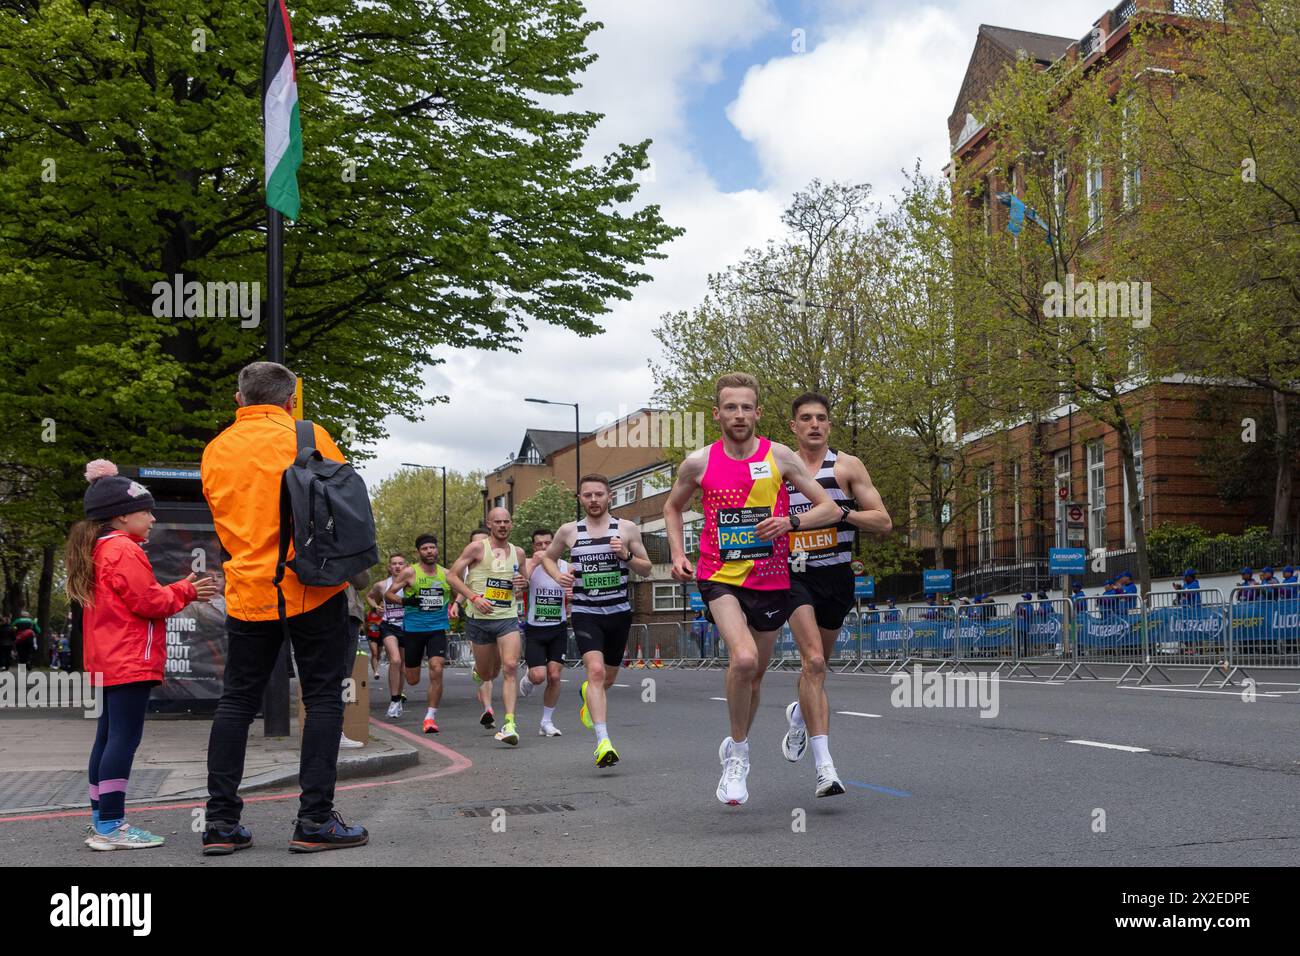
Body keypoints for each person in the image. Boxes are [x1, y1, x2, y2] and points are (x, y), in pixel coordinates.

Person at [200, 361, 368, 855]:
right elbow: (343, 504)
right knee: (322, 700)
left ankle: (220, 825)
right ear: (291, 400)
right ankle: (313, 821)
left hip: (247, 590)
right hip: (310, 587)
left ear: (239, 400)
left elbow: (222, 517)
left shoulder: (215, 450)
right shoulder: (309, 434)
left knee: (235, 702)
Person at [662, 372, 841, 806]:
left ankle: (735, 744)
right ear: (717, 413)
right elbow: (671, 507)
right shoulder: (699, 462)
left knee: (755, 675)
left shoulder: (779, 457)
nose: (738, 415)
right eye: (730, 407)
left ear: (757, 412)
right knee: (741, 659)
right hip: (719, 575)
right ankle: (738, 755)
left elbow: (829, 508)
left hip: (772, 579)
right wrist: (677, 554)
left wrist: (790, 522)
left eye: (746, 407)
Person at [67, 459, 217, 849]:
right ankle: (113, 826)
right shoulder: (124, 550)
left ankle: (101, 820)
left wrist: (176, 588)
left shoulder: (99, 548)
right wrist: (186, 590)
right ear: (120, 516)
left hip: (106, 659)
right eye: (145, 511)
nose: (152, 519)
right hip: (130, 659)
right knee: (123, 739)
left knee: (106, 737)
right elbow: (148, 602)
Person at [778, 392, 891, 798]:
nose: (814, 424)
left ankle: (797, 717)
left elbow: (883, 521)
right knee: (813, 659)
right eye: (805, 418)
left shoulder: (846, 466)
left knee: (818, 667)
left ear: (829, 425)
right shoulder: (778, 466)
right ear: (793, 426)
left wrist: (842, 513)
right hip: (793, 577)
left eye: (821, 418)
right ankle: (825, 768)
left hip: (836, 578)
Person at [541, 475, 653, 768]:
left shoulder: (626, 528)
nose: (593, 500)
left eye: (598, 494)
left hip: (618, 613)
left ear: (609, 497)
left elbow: (646, 569)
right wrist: (557, 575)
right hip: (585, 612)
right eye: (587, 495)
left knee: (608, 678)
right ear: (579, 498)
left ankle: (588, 695)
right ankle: (604, 742)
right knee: (595, 671)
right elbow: (548, 558)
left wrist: (626, 555)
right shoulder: (568, 531)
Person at [447, 508, 527, 744]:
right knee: (487, 673)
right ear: (489, 524)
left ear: (511, 525)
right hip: (479, 620)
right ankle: (478, 671)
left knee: (511, 667)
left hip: (507, 617)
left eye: (506, 521)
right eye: (498, 522)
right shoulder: (477, 548)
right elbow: (452, 576)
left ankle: (510, 723)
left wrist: (522, 583)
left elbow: (523, 583)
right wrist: (473, 598)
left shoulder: (519, 552)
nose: (502, 525)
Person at [385, 535, 455, 734]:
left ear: (436, 550)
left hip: (437, 629)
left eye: (432, 547)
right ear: (418, 552)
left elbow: (458, 593)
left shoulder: (446, 574)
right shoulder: (409, 572)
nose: (430, 551)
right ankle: (404, 689)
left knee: (437, 667)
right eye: (425, 548)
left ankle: (430, 716)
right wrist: (407, 602)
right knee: (413, 678)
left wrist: (456, 605)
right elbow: (389, 594)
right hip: (414, 629)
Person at [520, 529, 570, 737]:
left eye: (547, 544)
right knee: (539, 676)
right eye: (538, 544)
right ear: (533, 547)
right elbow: (519, 584)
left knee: (555, 676)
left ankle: (546, 722)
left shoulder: (567, 567)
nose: (543, 548)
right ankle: (528, 679)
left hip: (558, 628)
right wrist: (533, 562)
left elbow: (577, 589)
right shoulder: (530, 566)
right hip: (535, 630)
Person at [367, 553, 408, 714]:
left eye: (400, 563)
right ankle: (394, 700)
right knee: (395, 661)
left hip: (406, 627)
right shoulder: (382, 585)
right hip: (388, 626)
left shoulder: (410, 584)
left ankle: (398, 698)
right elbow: (370, 597)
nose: (397, 566)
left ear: (405, 566)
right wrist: (376, 607)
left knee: (403, 667)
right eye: (394, 564)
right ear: (389, 567)